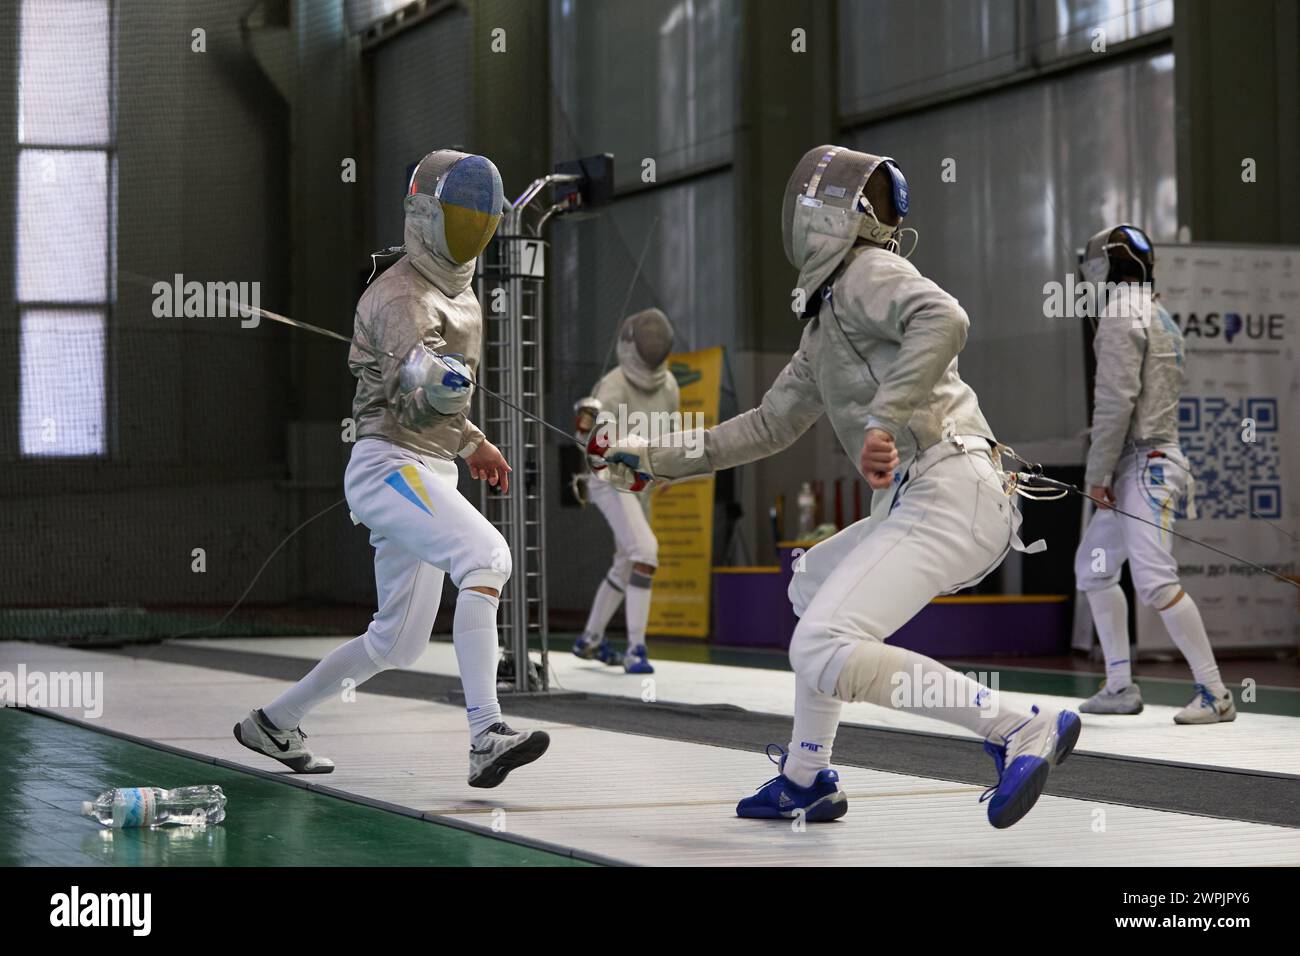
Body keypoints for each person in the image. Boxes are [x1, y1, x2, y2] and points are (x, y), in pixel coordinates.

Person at [590, 145, 1079, 829]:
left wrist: (884, 419)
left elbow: (946, 319)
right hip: (927, 494)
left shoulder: (869, 272)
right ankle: (806, 777)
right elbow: (764, 427)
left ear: (832, 218)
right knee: (811, 585)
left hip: (951, 484)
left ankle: (1018, 727)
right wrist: (650, 457)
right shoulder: (823, 325)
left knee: (819, 643)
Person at [233, 149, 550, 787]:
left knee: (397, 642)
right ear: (425, 216)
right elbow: (411, 400)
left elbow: (437, 401)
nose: (473, 230)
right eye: (462, 217)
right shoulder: (399, 297)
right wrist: (436, 387)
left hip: (428, 468)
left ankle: (272, 722)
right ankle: (486, 733)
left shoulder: (460, 296)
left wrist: (469, 438)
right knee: (488, 557)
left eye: (480, 220)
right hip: (389, 467)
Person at [1074, 224, 1235, 724]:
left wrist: (1096, 473)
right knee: (1095, 569)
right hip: (1141, 466)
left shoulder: (1121, 312)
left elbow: (1115, 403)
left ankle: (1216, 694)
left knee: (1154, 580)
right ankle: (1120, 684)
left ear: (1105, 267)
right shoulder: (1157, 312)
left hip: (1143, 469)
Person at [571, 309, 680, 674]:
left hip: (641, 482)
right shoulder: (612, 386)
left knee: (627, 560)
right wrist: (592, 434)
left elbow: (670, 436)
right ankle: (636, 649)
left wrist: (667, 468)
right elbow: (590, 443)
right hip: (608, 481)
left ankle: (590, 639)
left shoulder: (669, 387)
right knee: (646, 552)